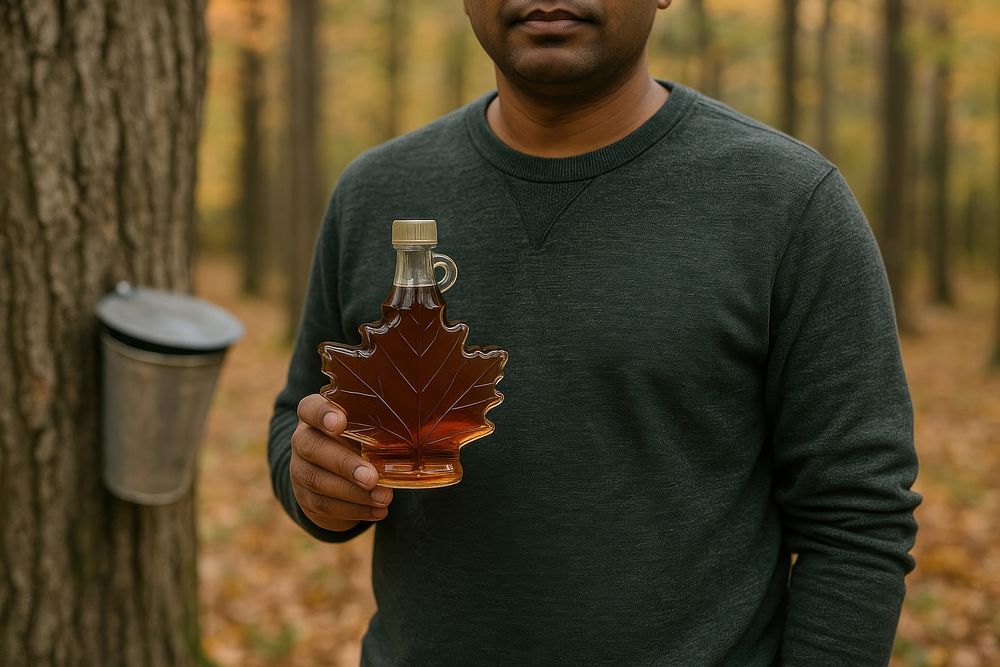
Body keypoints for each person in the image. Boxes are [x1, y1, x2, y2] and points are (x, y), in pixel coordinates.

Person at [268, 1, 921, 664]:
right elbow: (300, 415)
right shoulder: (376, 191)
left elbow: (858, 516)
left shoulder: (788, 202)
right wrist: (315, 482)